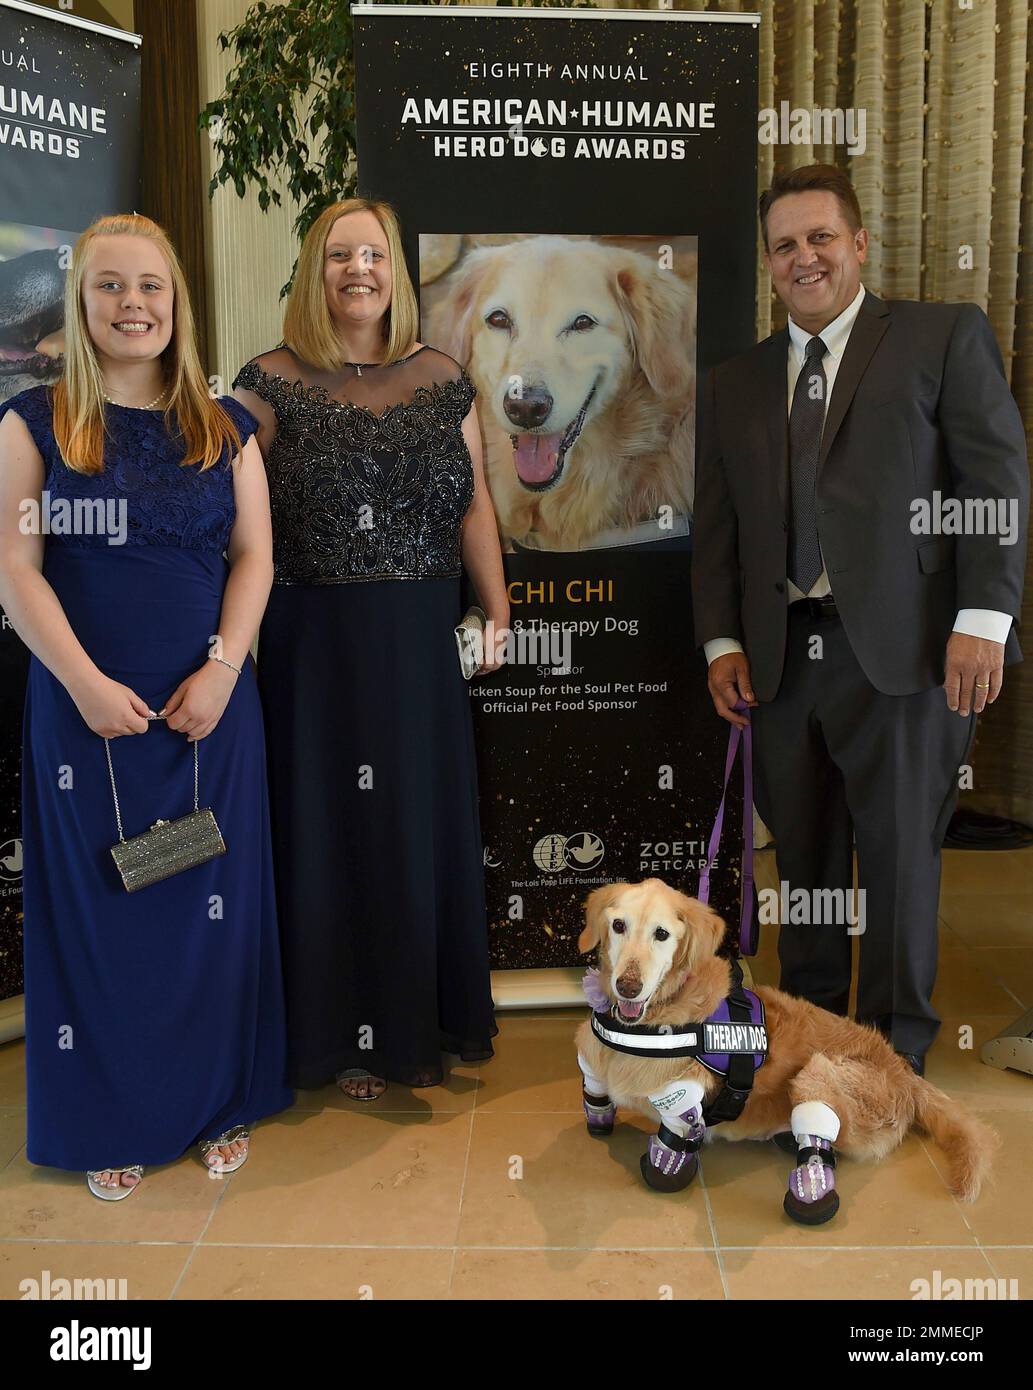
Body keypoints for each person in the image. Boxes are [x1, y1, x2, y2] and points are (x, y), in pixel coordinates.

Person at [692, 164, 1028, 1081]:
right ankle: (807, 1035)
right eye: (785, 245)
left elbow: (994, 484)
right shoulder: (734, 383)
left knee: (897, 864)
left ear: (858, 244)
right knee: (802, 864)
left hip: (910, 652)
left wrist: (982, 619)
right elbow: (718, 527)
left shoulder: (937, 337)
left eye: (820, 238)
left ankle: (889, 1054)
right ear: (767, 265)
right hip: (780, 661)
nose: (804, 258)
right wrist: (722, 641)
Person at [0, 214, 292, 1200]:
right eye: (111, 286)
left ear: (178, 303)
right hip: (85, 716)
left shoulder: (224, 425)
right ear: (80, 305)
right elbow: (13, 567)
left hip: (209, 710)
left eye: (151, 286)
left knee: (211, 912)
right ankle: (110, 1116)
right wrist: (81, 682)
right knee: (102, 917)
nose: (134, 304)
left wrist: (222, 667)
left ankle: (217, 1100)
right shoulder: (36, 420)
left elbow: (254, 556)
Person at [233, 197, 505, 1099]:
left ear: (396, 272)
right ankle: (328, 1039)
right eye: (341, 254)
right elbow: (225, 519)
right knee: (323, 835)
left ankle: (410, 1032)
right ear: (316, 270)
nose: (359, 270)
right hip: (311, 649)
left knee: (409, 831)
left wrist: (496, 611)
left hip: (419, 645)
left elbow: (472, 506)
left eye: (375, 255)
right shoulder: (265, 382)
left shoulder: (443, 376)